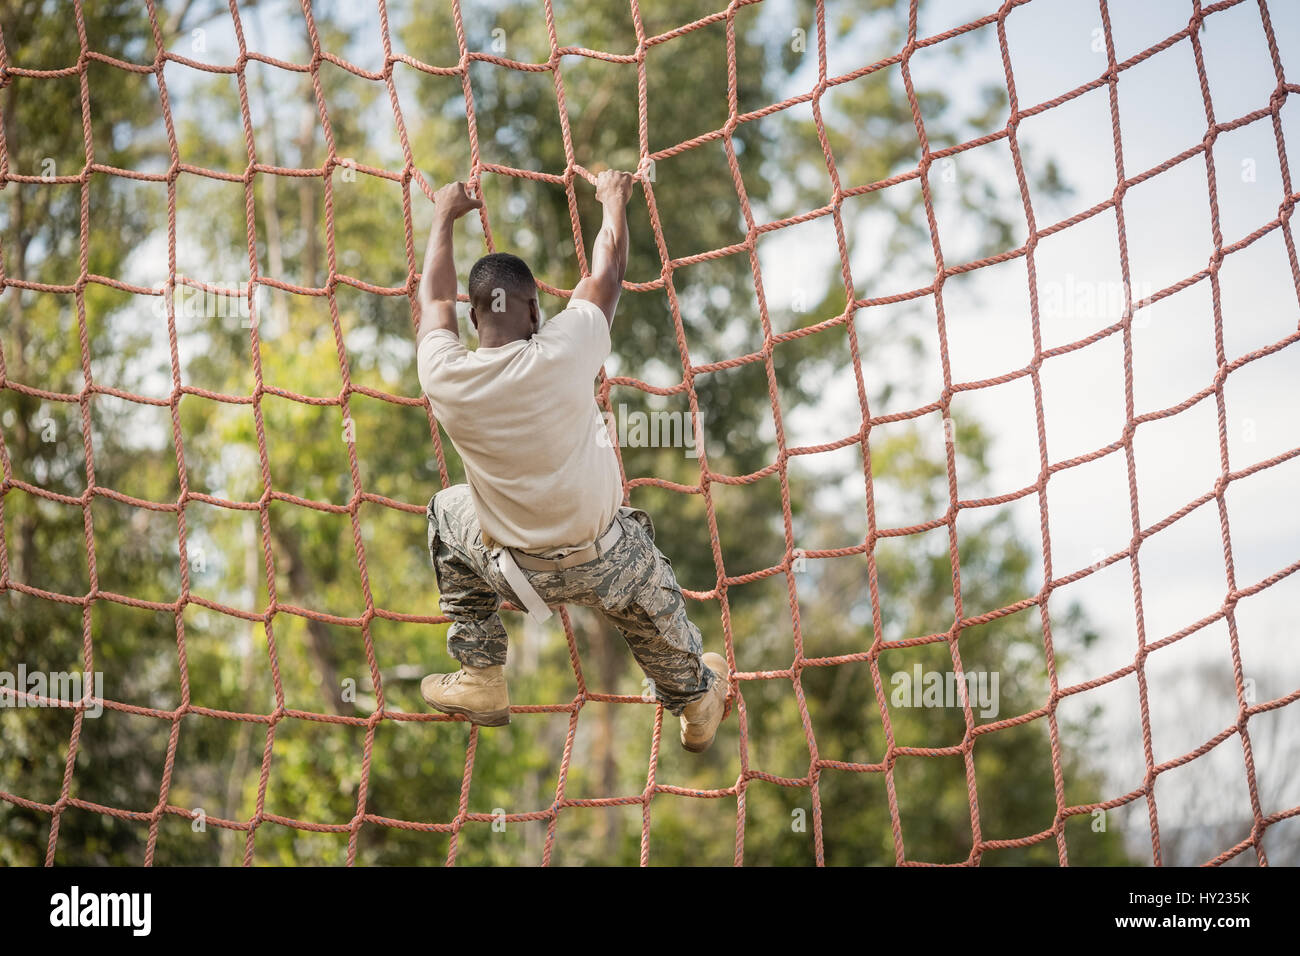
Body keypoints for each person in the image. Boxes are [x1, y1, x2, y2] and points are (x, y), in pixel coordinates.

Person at [412, 171, 730, 752]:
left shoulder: (443, 375)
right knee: (641, 579)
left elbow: (434, 297)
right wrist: (613, 199)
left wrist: (440, 213)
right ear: (534, 310)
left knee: (443, 510)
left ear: (474, 315)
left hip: (515, 572)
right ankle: (694, 696)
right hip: (607, 561)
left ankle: (482, 673)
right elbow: (606, 271)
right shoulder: (565, 349)